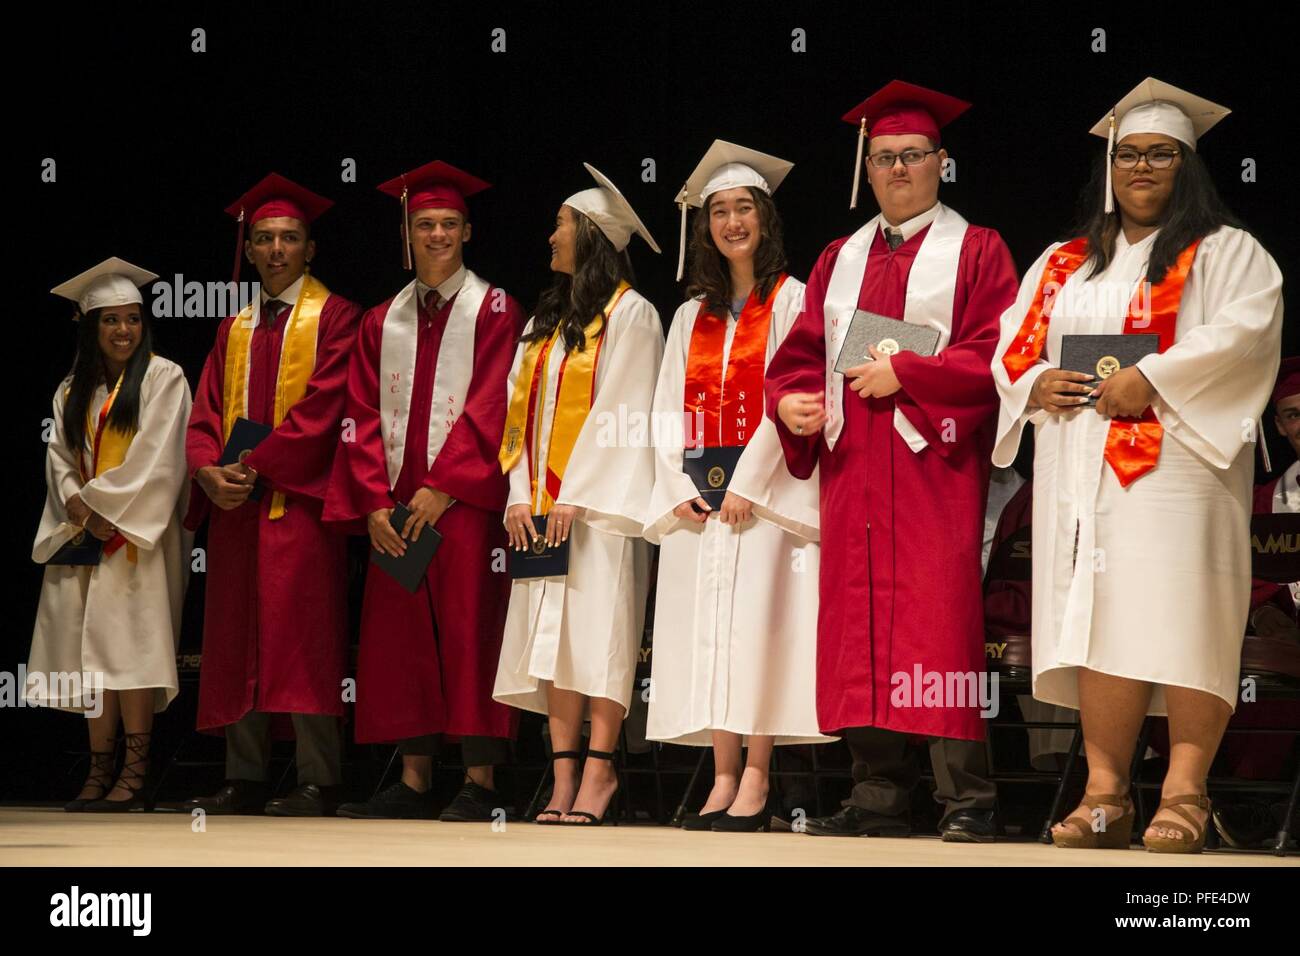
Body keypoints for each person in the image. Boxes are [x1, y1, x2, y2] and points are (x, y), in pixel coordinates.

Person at [991, 78, 1284, 852]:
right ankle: (1106, 795)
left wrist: (1151, 377)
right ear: (1110, 169)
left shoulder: (1228, 253)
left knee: (1184, 618)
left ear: (1189, 166)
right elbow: (1012, 348)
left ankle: (1184, 794)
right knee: (1098, 621)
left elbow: (1246, 333)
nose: (1143, 168)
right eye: (1130, 156)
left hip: (1180, 470)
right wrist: (1033, 383)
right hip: (1078, 468)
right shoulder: (1063, 263)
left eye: (1162, 154)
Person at [764, 80, 1019, 843]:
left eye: (913, 156)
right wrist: (793, 403)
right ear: (866, 169)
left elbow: (998, 353)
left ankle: (967, 800)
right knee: (858, 628)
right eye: (884, 158)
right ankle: (877, 796)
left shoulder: (977, 249)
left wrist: (908, 373)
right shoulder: (837, 256)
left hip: (932, 469)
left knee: (939, 624)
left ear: (942, 162)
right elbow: (801, 354)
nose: (898, 169)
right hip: (853, 474)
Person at [324, 161, 525, 821]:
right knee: (401, 636)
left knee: (471, 630)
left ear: (467, 230)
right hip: (393, 504)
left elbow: (495, 403)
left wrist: (444, 487)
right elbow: (356, 414)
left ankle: (479, 782)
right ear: (408, 235)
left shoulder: (495, 309)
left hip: (462, 505)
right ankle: (413, 780)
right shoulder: (382, 319)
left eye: (447, 223)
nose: (436, 234)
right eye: (424, 225)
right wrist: (374, 500)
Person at [645, 141, 828, 833]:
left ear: (765, 218)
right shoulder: (692, 313)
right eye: (718, 211)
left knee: (758, 632)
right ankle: (721, 777)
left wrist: (750, 481)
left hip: (764, 500)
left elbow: (798, 396)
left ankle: (757, 778)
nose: (731, 222)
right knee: (708, 635)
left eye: (743, 208)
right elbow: (664, 409)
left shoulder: (795, 300)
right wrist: (674, 488)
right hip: (701, 500)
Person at [183, 174, 363, 817]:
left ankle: (320, 778)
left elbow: (325, 408)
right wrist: (206, 470)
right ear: (251, 250)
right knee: (237, 635)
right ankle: (246, 775)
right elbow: (204, 412)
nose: (278, 249)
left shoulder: (336, 317)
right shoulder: (232, 328)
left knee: (304, 635)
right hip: (235, 507)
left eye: (290, 238)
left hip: (300, 505)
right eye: (265, 239)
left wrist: (255, 465)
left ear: (310, 248)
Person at [494, 164, 664, 826]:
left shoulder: (634, 315)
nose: (550, 236)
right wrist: (517, 489)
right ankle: (561, 779)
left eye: (561, 225)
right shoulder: (545, 317)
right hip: (539, 510)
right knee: (553, 646)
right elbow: (516, 413)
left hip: (599, 512)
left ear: (591, 235)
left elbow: (626, 413)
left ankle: (600, 772)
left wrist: (578, 492)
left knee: (600, 639)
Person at [29, 258, 192, 812]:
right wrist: (75, 504)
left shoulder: (164, 377)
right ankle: (99, 773)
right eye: (110, 321)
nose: (124, 331)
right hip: (85, 537)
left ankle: (136, 774)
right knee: (91, 652)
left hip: (136, 540)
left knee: (135, 650)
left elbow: (159, 460)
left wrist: (99, 508)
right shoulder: (72, 389)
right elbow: (58, 459)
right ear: (89, 326)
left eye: (132, 319)